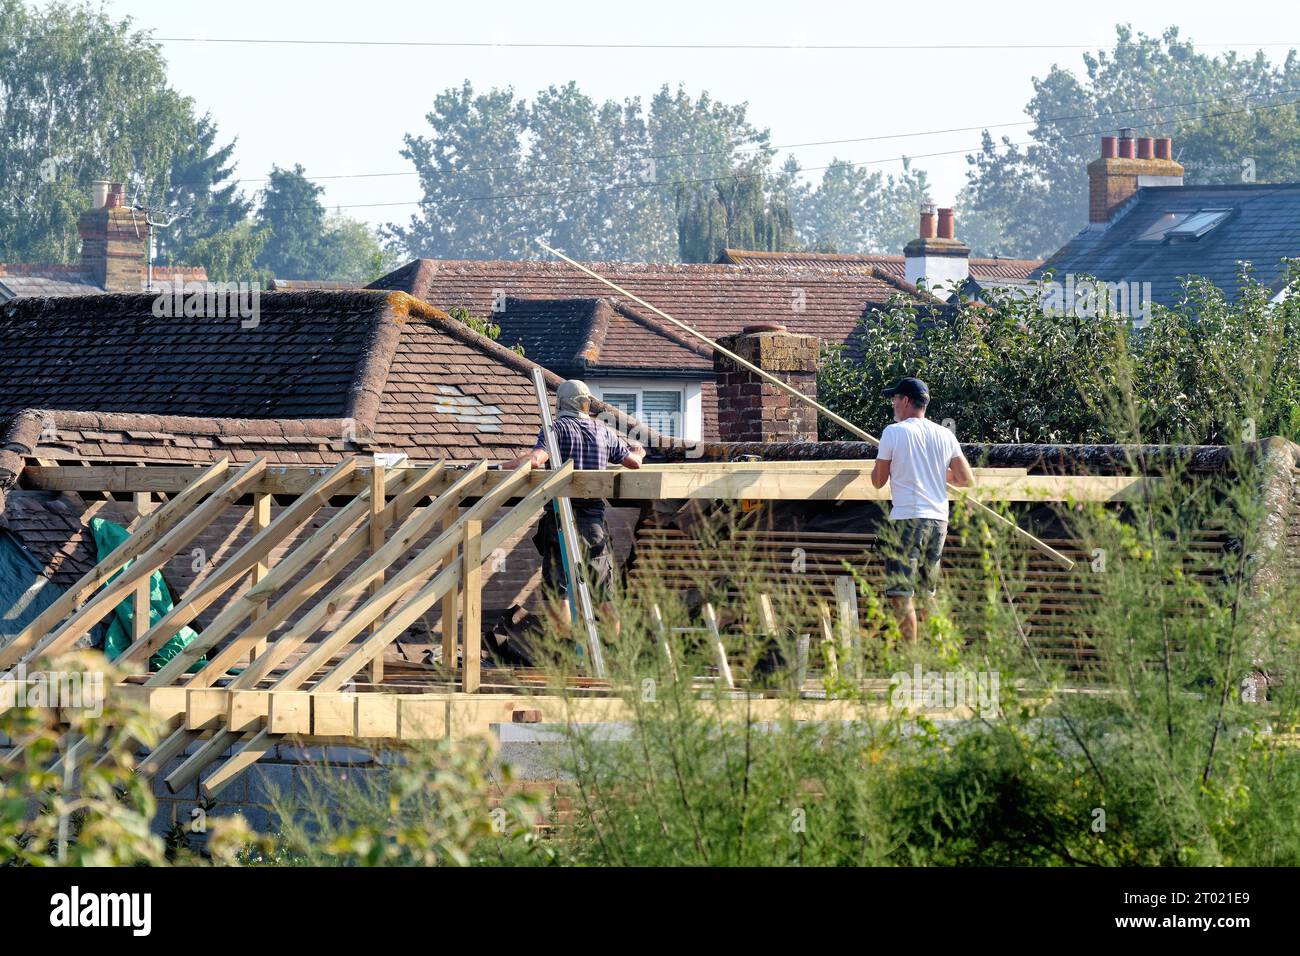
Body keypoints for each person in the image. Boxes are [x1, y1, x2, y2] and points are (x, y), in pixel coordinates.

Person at [508, 379, 645, 611]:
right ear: (585, 404)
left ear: (561, 403)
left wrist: (498, 467)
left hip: (561, 518)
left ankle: (563, 644)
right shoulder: (603, 432)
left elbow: (535, 460)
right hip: (593, 521)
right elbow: (633, 463)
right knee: (603, 590)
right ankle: (612, 646)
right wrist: (639, 452)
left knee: (558, 588)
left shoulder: (556, 430)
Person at [870, 377, 974, 642]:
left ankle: (910, 660)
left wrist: (891, 465)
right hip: (938, 520)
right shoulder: (944, 434)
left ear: (905, 401)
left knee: (901, 595)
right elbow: (965, 479)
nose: (893, 403)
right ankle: (936, 656)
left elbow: (878, 481)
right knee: (927, 594)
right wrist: (936, 474)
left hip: (907, 519)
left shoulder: (893, 432)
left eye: (895, 398)